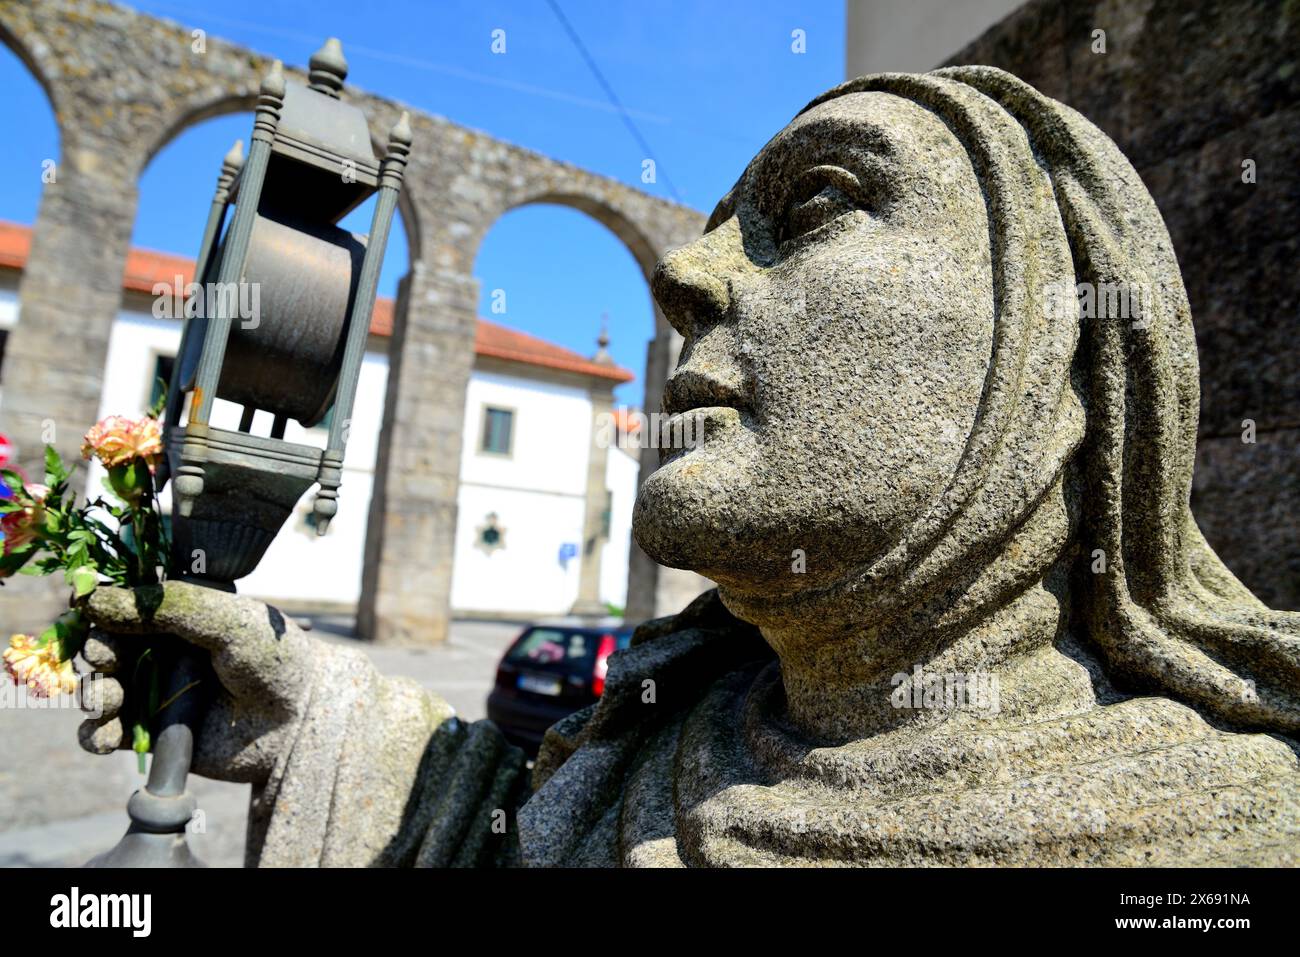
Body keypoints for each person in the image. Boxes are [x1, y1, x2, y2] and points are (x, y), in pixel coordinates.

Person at [78, 67, 1300, 867]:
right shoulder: (646, 758)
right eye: (709, 228)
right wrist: (316, 720)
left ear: (1062, 342)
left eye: (816, 204)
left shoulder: (1228, 838)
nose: (683, 275)